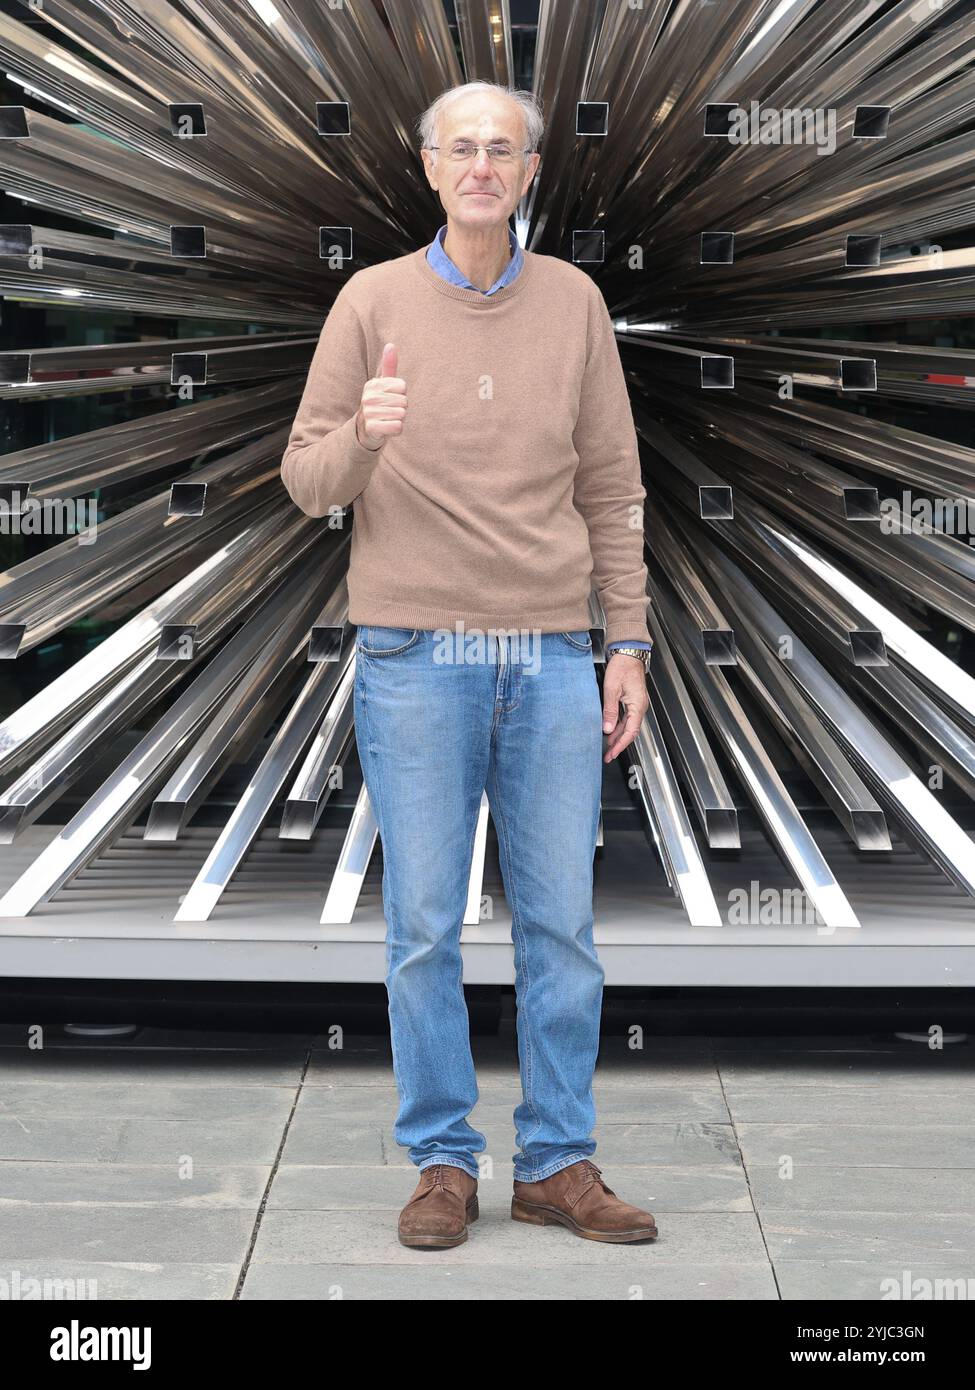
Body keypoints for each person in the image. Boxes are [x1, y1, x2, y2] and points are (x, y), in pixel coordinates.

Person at [281, 81, 657, 1248]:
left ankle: (556, 1162)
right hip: (414, 655)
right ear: (430, 166)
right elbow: (305, 479)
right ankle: (442, 1162)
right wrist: (365, 435)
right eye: (462, 148)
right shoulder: (371, 300)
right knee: (425, 927)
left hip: (548, 652)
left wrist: (628, 640)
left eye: (504, 149)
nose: (482, 165)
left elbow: (613, 482)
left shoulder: (575, 303)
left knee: (562, 929)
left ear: (532, 172)